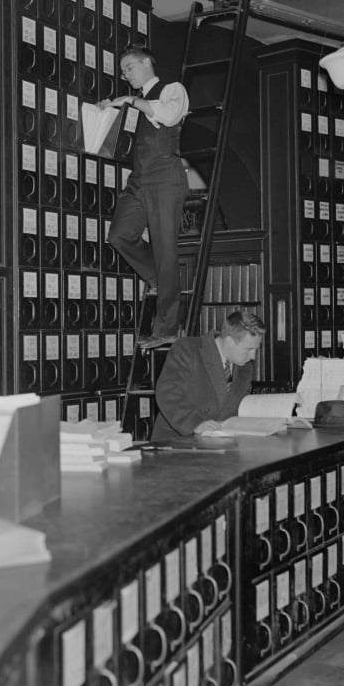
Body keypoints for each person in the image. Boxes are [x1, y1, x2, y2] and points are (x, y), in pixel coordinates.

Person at [101, 44, 190, 349]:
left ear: (147, 62)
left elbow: (167, 115)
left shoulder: (172, 89)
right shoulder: (132, 102)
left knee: (166, 249)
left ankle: (166, 328)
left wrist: (133, 101)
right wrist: (107, 113)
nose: (126, 75)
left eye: (129, 68)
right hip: (139, 178)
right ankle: (156, 277)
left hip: (166, 177)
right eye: (123, 71)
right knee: (119, 235)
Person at [152, 311, 266, 441]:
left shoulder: (244, 367)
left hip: (221, 446)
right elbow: (167, 393)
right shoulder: (187, 349)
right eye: (249, 349)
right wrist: (195, 424)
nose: (253, 357)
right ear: (229, 341)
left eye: (256, 349)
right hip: (177, 444)